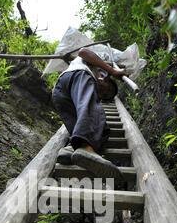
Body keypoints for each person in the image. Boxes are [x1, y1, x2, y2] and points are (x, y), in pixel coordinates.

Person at [52, 48, 127, 179]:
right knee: (97, 118)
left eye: (105, 96)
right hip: (78, 76)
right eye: (107, 89)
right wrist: (113, 71)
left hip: (60, 91)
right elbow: (83, 52)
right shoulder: (94, 68)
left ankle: (70, 149)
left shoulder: (84, 75)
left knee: (81, 124)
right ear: (105, 78)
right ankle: (86, 148)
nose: (102, 93)